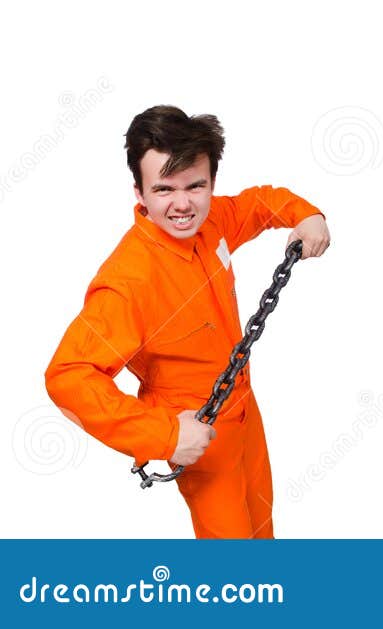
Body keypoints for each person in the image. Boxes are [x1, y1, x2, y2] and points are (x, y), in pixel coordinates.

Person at [45, 105, 332, 538]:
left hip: (245, 411)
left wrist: (306, 214)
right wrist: (165, 435)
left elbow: (259, 203)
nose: (182, 204)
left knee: (263, 531)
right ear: (139, 192)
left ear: (211, 183)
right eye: (163, 189)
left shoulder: (212, 221)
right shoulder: (128, 282)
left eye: (195, 186)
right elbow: (68, 378)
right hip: (200, 430)